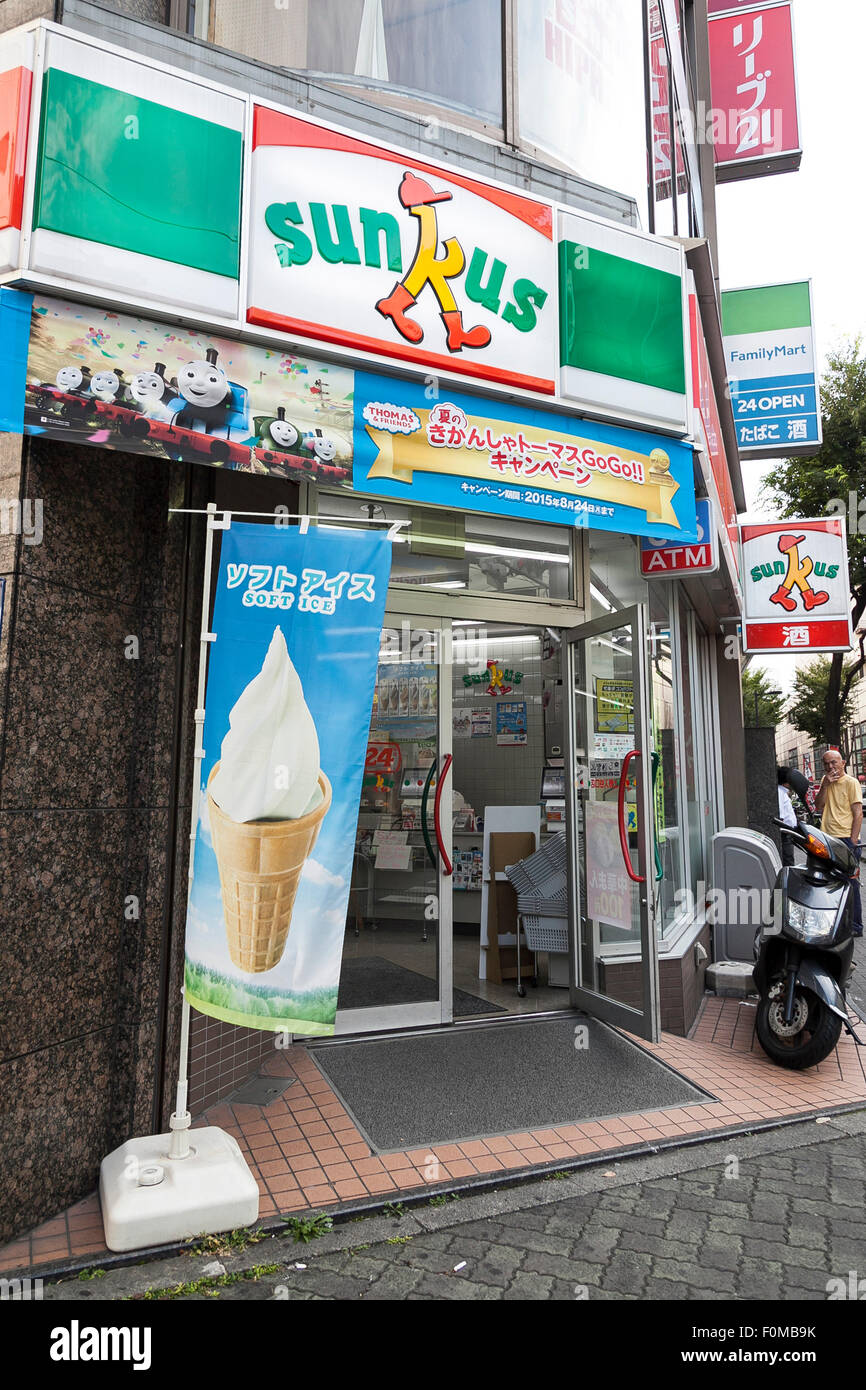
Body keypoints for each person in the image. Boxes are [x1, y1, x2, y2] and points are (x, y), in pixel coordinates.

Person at [815, 749, 863, 936]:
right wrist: (825, 786)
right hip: (827, 838)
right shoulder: (825, 782)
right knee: (830, 883)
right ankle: (835, 924)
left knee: (850, 885)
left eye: (833, 762)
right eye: (826, 763)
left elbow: (858, 813)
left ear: (842, 763)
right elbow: (818, 806)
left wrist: (853, 841)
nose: (830, 766)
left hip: (845, 839)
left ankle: (855, 927)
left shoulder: (851, 782)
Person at [777, 766, 798, 866]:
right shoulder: (780, 793)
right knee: (788, 860)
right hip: (784, 834)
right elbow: (780, 815)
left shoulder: (783, 792)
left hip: (787, 832)